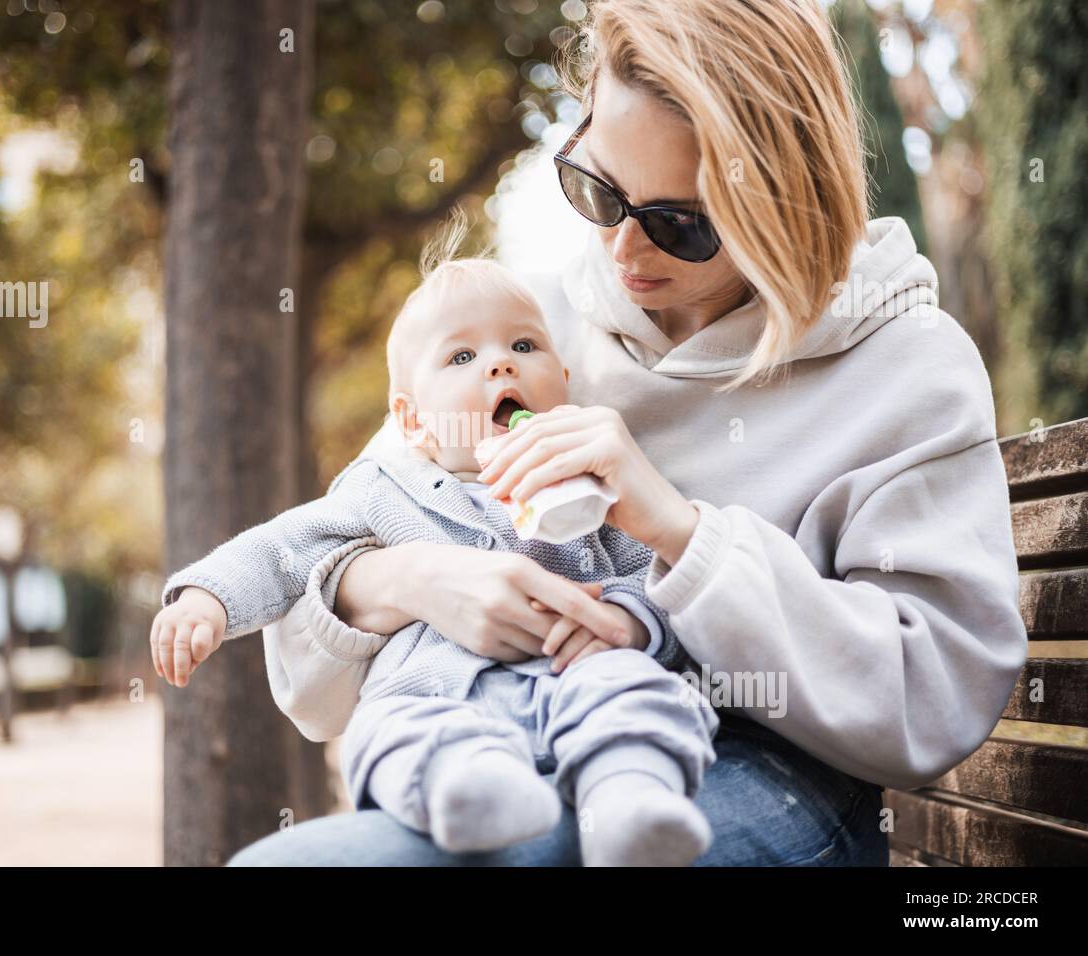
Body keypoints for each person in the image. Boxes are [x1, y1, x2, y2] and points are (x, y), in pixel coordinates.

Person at [227, 0, 1027, 866]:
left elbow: (933, 693)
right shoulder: (516, 332)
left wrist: (681, 532)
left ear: (788, 202)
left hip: (775, 773)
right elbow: (313, 673)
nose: (620, 250)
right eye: (598, 190)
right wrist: (417, 578)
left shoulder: (906, 363)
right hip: (494, 741)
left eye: (679, 223)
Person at [154, 231, 721, 865]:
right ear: (413, 420)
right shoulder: (382, 487)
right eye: (461, 358)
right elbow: (283, 549)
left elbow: (660, 577)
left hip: (574, 676)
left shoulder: (590, 477)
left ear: (562, 382)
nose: (500, 365)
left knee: (639, 690)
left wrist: (626, 623)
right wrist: (206, 598)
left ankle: (629, 802)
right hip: (434, 696)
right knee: (383, 731)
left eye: (524, 346)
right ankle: (467, 797)